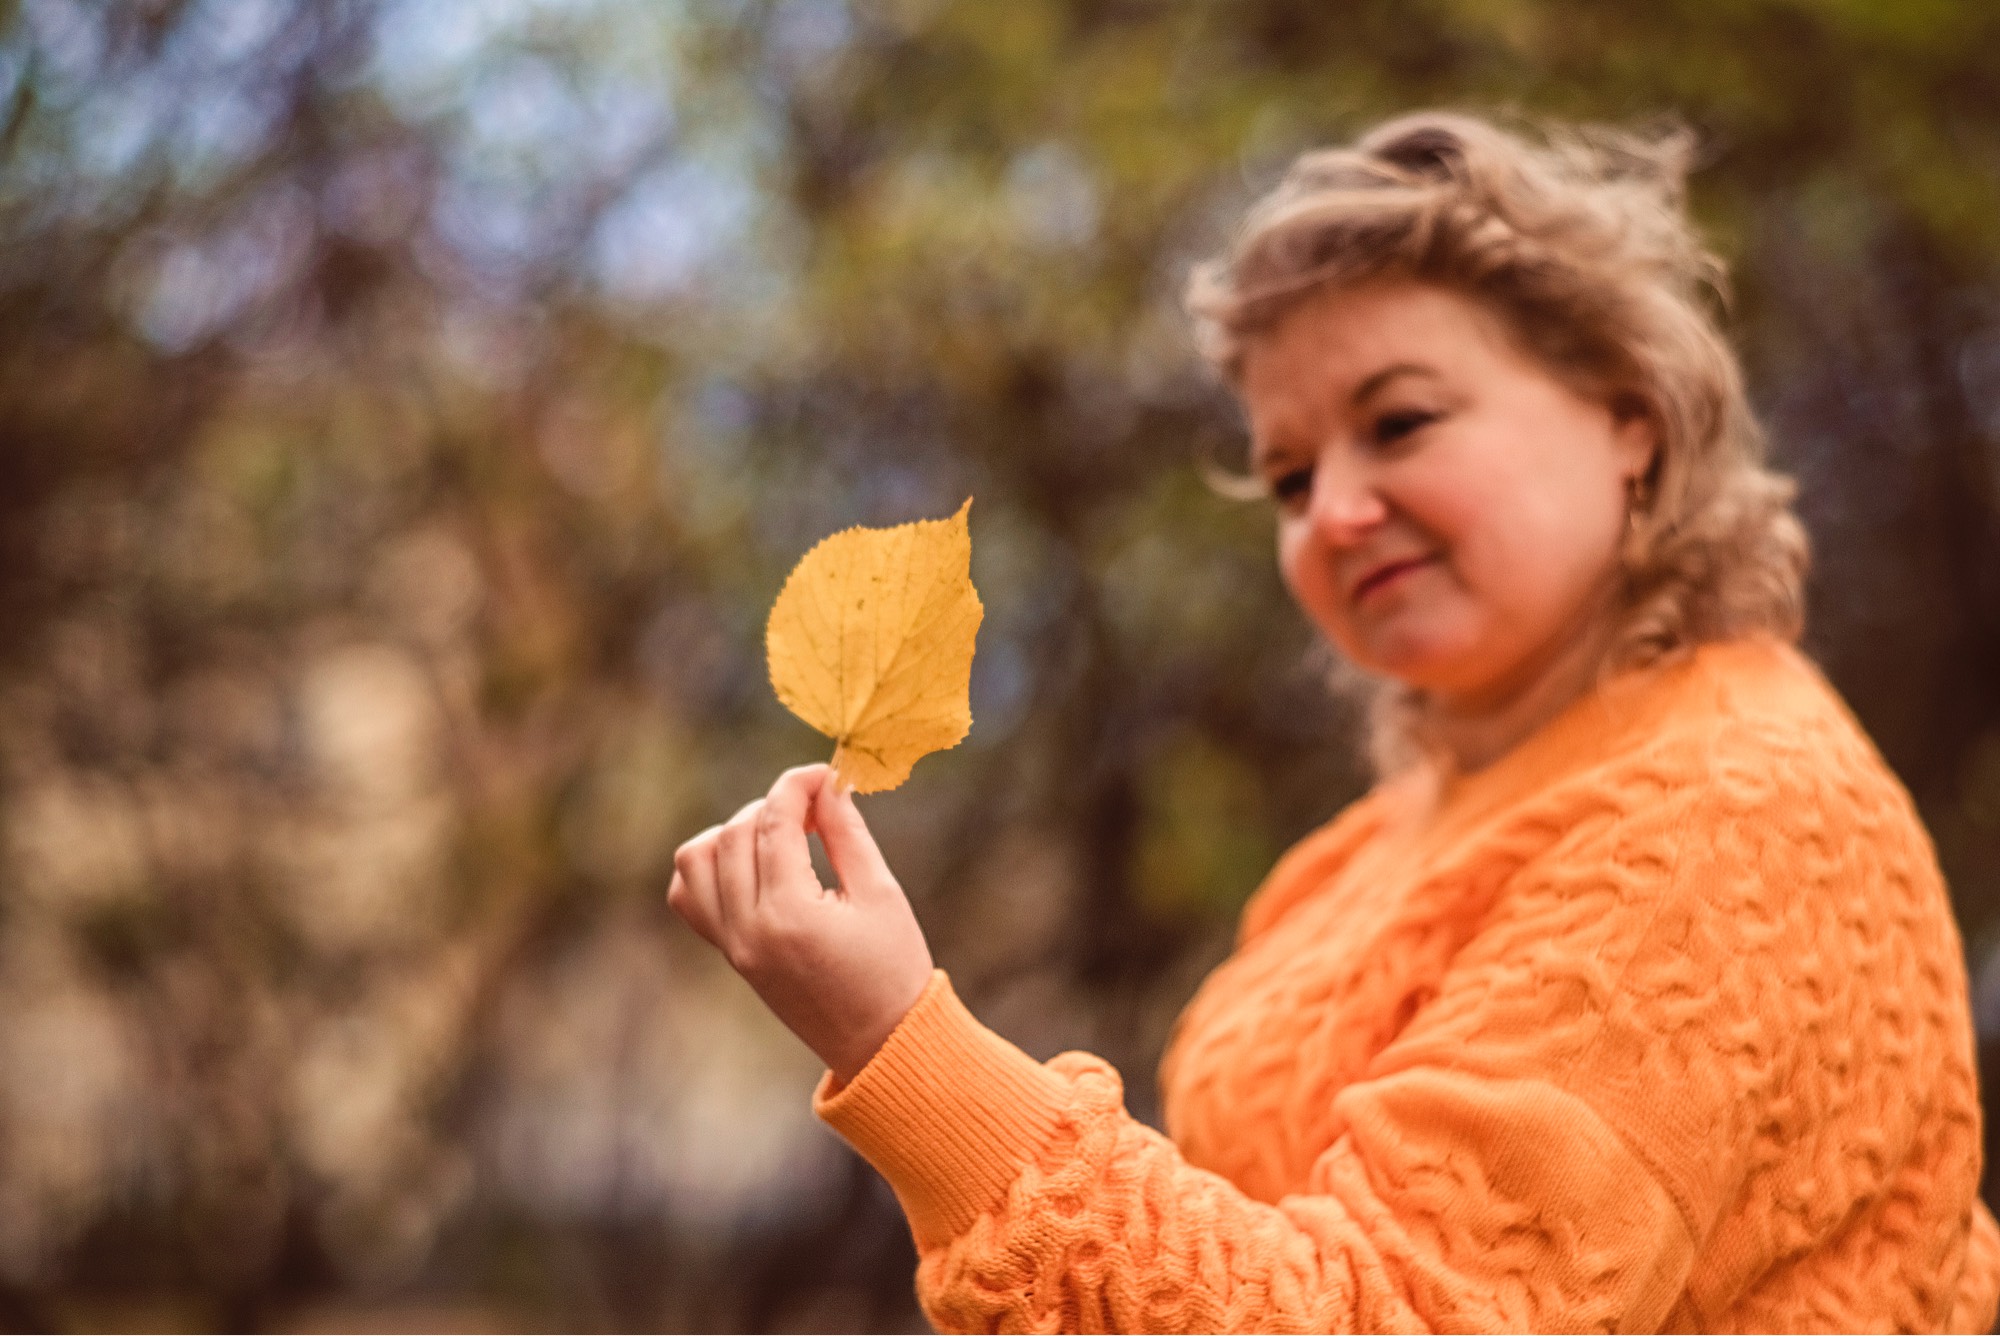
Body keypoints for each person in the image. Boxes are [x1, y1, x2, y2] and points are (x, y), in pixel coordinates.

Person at [667, 111, 2000, 1331]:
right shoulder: (1391, 837)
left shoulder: (1726, 822)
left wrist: (908, 1051)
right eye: (1292, 477)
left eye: (1401, 422)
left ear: (1630, 422)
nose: (1336, 513)